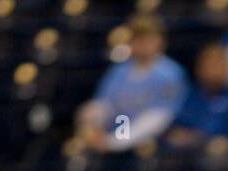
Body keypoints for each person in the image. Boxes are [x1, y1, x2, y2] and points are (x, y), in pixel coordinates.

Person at [76, 15, 188, 154]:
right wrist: (91, 124)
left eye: (148, 39)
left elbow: (158, 118)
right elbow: (105, 104)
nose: (143, 45)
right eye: (138, 39)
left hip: (155, 144)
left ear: (160, 41)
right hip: (115, 137)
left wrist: (115, 141)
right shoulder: (120, 70)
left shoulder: (170, 74)